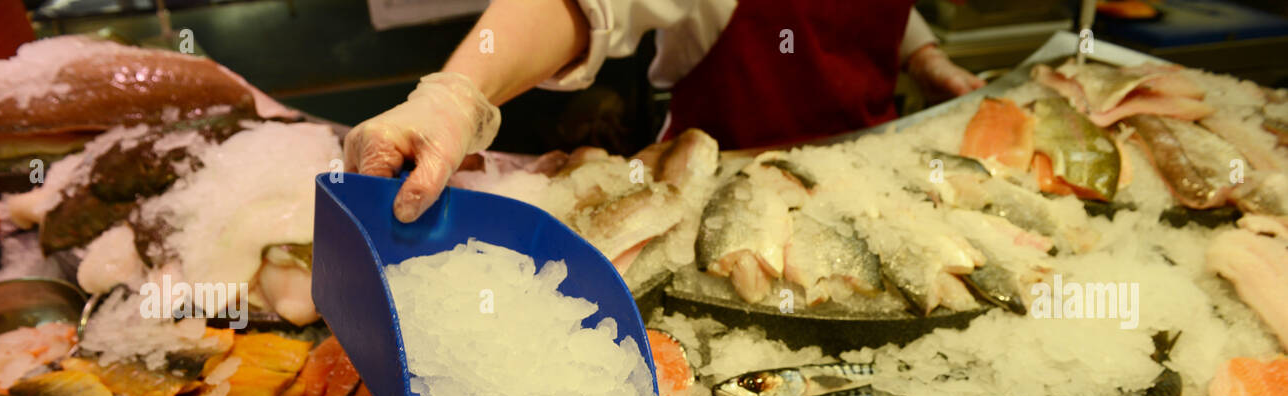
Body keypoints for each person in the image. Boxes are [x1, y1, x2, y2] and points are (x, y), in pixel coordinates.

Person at [346, 0, 983, 222]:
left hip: (868, 173)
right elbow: (580, 6)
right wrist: (456, 95)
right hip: (716, 195)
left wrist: (924, 57)